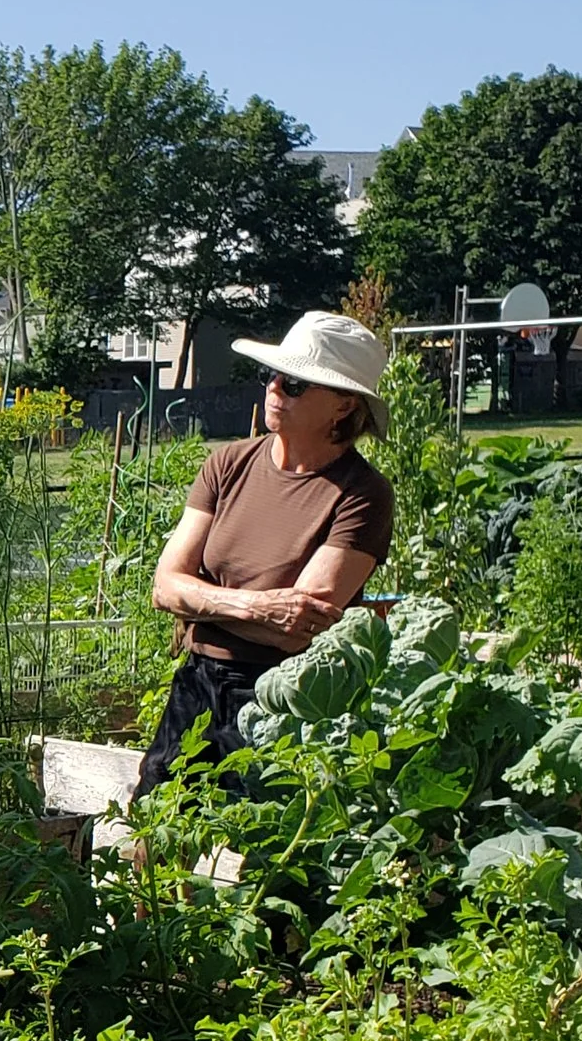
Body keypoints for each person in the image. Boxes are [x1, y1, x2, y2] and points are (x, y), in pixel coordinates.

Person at [137, 311, 396, 794]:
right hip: (195, 682)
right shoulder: (228, 463)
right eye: (271, 375)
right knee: (156, 826)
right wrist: (256, 606)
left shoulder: (361, 493)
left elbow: (296, 631)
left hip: (281, 696)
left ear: (342, 406)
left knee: (262, 838)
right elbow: (164, 585)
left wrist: (201, 605)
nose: (274, 387)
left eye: (295, 383)